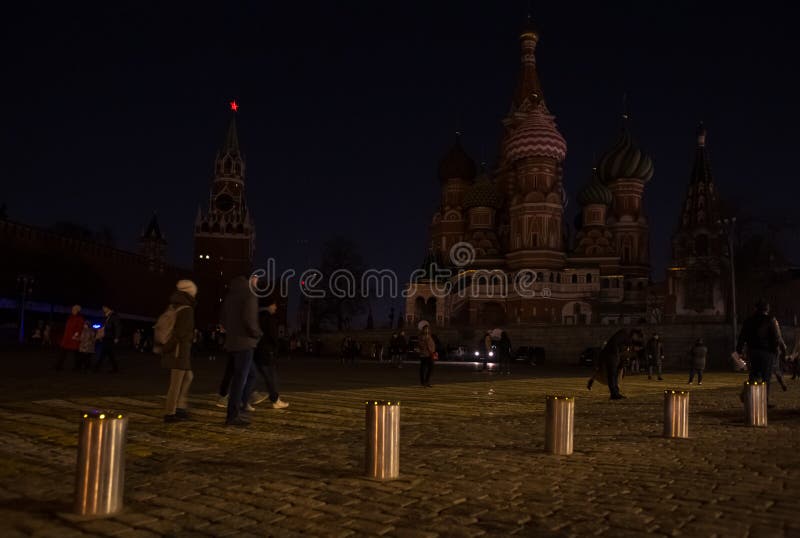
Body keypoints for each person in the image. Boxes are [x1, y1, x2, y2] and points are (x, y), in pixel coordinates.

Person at [219, 274, 263, 426]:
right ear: (250, 280)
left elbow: (223, 320)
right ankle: (233, 414)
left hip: (232, 342)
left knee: (247, 375)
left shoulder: (230, 296)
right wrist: (257, 334)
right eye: (256, 279)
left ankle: (241, 406)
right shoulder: (249, 294)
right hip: (245, 343)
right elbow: (249, 320)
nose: (257, 282)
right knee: (240, 379)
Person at [736, 300, 787, 408]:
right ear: (767, 309)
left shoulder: (749, 321)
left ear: (756, 309)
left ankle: (746, 394)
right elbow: (777, 337)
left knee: (754, 374)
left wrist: (739, 350)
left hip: (752, 352)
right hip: (767, 352)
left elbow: (742, 337)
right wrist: (781, 350)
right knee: (766, 377)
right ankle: (764, 401)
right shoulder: (771, 320)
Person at [161, 280, 197, 423]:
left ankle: (180, 406)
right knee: (175, 384)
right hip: (179, 351)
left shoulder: (175, 306)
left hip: (179, 350)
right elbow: (181, 333)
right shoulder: (187, 309)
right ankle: (170, 413)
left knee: (188, 377)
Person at [249, 299, 289, 410]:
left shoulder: (255, 317)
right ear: (269, 306)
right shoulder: (269, 318)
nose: (275, 307)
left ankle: (248, 396)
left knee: (254, 375)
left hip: (256, 350)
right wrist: (276, 348)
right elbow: (273, 336)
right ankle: (275, 400)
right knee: (271, 376)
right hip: (267, 351)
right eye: (274, 305)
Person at [587, 328, 645, 400]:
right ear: (635, 334)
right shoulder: (624, 334)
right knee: (611, 375)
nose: (636, 339)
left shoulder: (629, 341)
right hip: (611, 355)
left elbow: (624, 355)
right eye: (637, 337)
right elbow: (614, 344)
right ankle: (614, 394)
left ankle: (616, 393)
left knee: (614, 375)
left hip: (615, 357)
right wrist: (617, 356)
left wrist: (621, 365)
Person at [56, 305, 84, 371]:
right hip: (67, 338)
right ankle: (59, 366)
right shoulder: (71, 317)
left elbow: (79, 328)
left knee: (76, 354)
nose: (72, 310)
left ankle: (77, 367)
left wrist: (76, 335)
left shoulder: (79, 318)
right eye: (72, 309)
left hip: (73, 338)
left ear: (77, 310)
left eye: (74, 309)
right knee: (63, 352)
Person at [94, 305, 121, 372]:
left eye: (104, 308)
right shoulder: (107, 316)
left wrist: (117, 337)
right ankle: (115, 368)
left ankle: (97, 367)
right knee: (108, 353)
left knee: (105, 353)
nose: (103, 309)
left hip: (110, 337)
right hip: (107, 337)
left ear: (108, 308)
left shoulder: (114, 316)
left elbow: (117, 327)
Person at [418, 322, 436, 387]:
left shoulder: (430, 336)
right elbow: (421, 345)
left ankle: (427, 381)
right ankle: (423, 382)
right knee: (423, 368)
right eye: (426, 329)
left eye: (428, 329)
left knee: (431, 367)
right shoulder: (421, 336)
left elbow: (432, 344)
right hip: (424, 354)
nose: (427, 330)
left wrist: (433, 351)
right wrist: (426, 340)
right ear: (423, 330)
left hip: (430, 354)